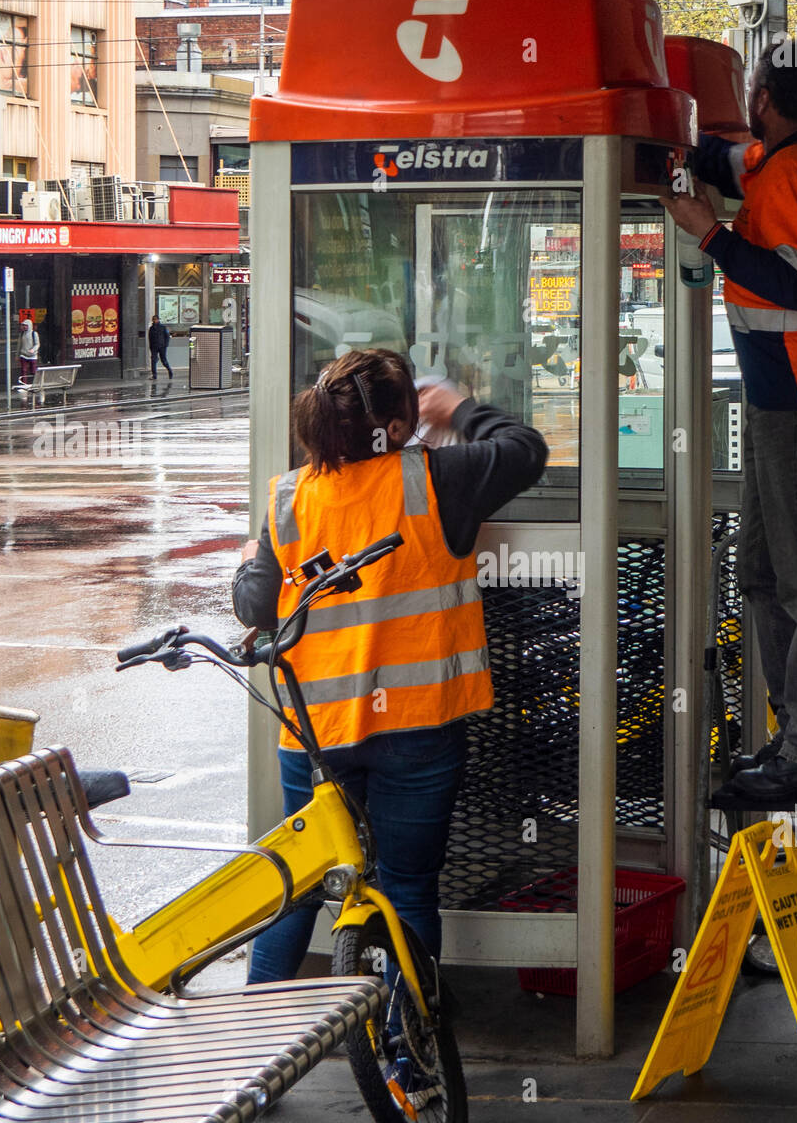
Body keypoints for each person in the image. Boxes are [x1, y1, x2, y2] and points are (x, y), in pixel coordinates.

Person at [232, 348, 548, 980]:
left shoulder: (290, 498)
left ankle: (252, 1046)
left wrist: (247, 558)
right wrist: (457, 408)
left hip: (316, 733)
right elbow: (526, 449)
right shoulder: (436, 479)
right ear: (400, 425)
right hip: (417, 727)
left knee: (299, 885)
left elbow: (254, 607)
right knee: (407, 889)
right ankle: (410, 1046)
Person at [663, 38, 797, 802]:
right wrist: (680, 140)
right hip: (785, 400)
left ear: (764, 99)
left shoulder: (790, 175)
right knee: (762, 570)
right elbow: (732, 161)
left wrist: (707, 231)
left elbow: (787, 282)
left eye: (752, 90)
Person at [148, 315, 172, 386]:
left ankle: (170, 371)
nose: (155, 321)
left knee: (164, 360)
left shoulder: (163, 327)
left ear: (158, 320)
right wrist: (151, 347)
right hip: (154, 347)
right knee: (153, 360)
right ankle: (154, 375)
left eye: (156, 319)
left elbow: (167, 337)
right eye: (154, 320)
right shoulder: (151, 329)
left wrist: (165, 345)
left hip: (162, 347)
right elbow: (150, 339)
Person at [18, 317, 40, 389]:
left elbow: (37, 344)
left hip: (32, 355)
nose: (24, 327)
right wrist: (17, 355)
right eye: (23, 325)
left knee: (33, 371)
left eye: (26, 325)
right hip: (23, 355)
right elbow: (19, 345)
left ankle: (36, 384)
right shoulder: (22, 334)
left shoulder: (34, 333)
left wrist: (33, 350)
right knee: (23, 370)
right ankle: (24, 384)